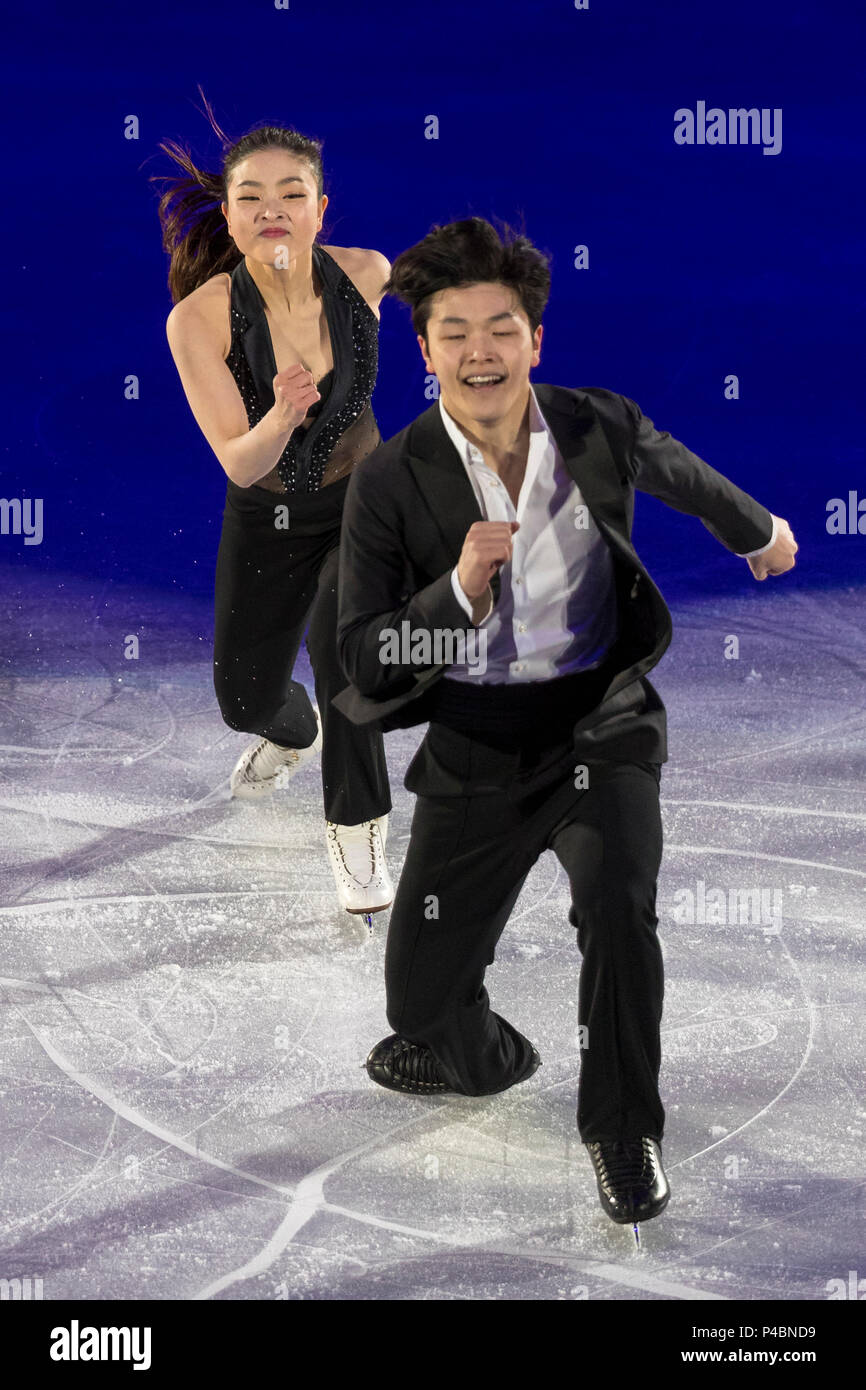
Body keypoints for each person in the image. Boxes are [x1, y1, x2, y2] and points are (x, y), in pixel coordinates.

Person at [332, 217, 798, 1231]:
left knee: (618, 908)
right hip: (475, 745)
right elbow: (365, 660)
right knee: (416, 1007)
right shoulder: (389, 478)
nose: (478, 352)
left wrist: (758, 531)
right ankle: (482, 1052)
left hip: (600, 727)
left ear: (533, 340)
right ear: (423, 352)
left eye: (499, 328)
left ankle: (620, 1127)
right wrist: (453, 592)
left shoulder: (593, 424)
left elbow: (679, 470)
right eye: (452, 332)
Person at [156, 99, 393, 922]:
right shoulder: (199, 320)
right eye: (252, 197)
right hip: (269, 515)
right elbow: (238, 459)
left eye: (292, 194)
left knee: (341, 647)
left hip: (366, 505)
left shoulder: (368, 274)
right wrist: (282, 416)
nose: (273, 211)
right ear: (230, 215)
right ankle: (294, 733)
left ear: (320, 209)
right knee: (245, 699)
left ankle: (358, 825)